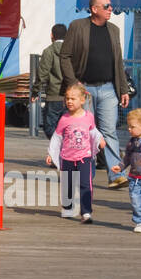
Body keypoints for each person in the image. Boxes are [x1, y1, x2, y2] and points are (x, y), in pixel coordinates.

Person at [60, 0, 130, 188]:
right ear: (94, 9)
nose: (110, 9)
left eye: (111, 6)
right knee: (84, 133)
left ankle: (116, 174)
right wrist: (74, 83)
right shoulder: (78, 26)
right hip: (85, 88)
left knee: (109, 132)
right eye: (106, 6)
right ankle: (83, 176)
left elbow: (118, 62)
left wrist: (123, 88)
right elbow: (64, 56)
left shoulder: (114, 30)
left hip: (108, 88)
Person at [46, 82, 106, 224]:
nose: (69, 101)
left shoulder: (89, 116)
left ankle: (86, 212)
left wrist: (100, 140)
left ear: (82, 100)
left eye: (73, 99)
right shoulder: (64, 119)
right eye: (67, 98)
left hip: (84, 157)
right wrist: (51, 153)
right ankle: (67, 207)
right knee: (67, 184)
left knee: (86, 184)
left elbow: (93, 131)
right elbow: (57, 137)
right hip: (67, 157)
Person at [36, 24, 67, 139]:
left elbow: (42, 74)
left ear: (52, 35)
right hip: (71, 96)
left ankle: (59, 148)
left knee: (49, 126)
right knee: (67, 126)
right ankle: (65, 150)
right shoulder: (73, 50)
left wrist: (35, 91)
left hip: (54, 95)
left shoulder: (49, 51)